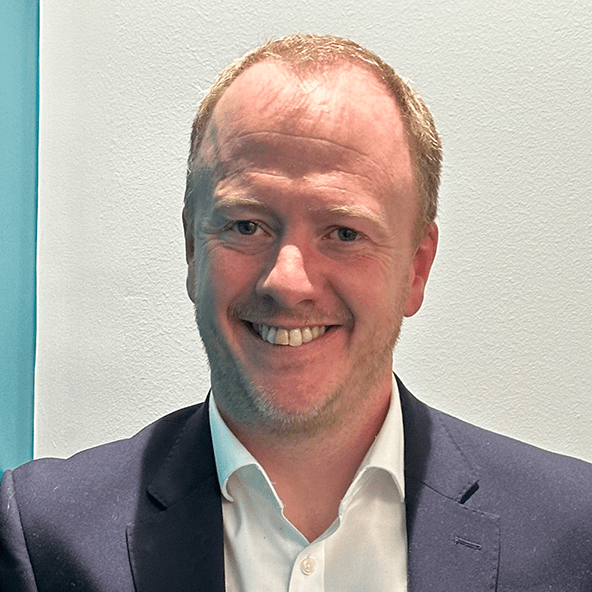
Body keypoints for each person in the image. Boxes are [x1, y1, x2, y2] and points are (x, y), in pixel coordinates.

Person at [1, 34, 591, 591]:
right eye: (246, 225)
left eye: (343, 233)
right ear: (191, 249)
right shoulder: (44, 537)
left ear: (416, 268)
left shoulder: (573, 534)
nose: (287, 282)